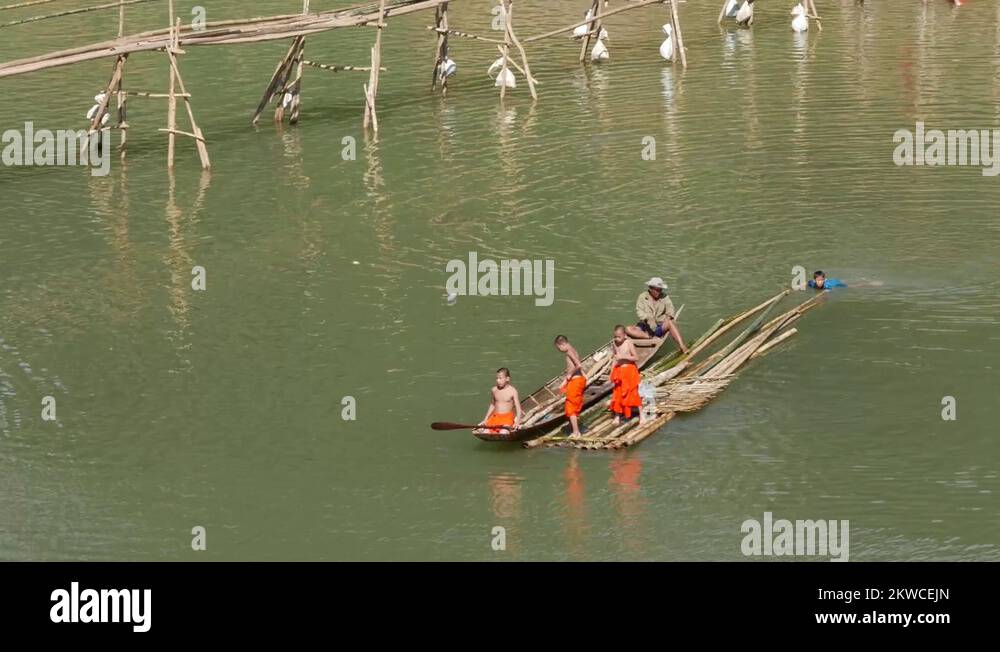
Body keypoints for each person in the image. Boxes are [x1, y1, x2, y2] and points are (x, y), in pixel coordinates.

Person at [625, 277, 688, 354]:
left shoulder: (664, 297)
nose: (659, 292)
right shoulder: (642, 297)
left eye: (660, 290)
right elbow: (639, 312)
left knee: (671, 322)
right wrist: (648, 318)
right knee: (628, 329)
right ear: (650, 289)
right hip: (646, 326)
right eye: (657, 290)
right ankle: (649, 337)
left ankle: (682, 346)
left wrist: (668, 317)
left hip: (659, 325)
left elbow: (670, 309)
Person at [474, 368, 523, 435]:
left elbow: (518, 408)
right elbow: (492, 404)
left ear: (507, 379)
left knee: (503, 433)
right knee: (484, 432)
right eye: (497, 378)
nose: (498, 381)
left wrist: (517, 422)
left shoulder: (512, 391)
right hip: (495, 417)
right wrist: (485, 419)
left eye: (500, 378)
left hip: (507, 418)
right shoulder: (494, 390)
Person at [554, 335, 585, 438]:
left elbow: (578, 365)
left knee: (571, 407)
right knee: (573, 406)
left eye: (559, 348)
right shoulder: (573, 350)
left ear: (562, 344)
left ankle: (576, 432)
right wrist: (565, 381)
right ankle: (574, 428)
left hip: (575, 381)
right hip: (576, 380)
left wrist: (569, 375)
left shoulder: (569, 352)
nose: (560, 350)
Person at [609, 325, 641, 425]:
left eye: (619, 336)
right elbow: (615, 358)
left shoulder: (628, 343)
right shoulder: (614, 343)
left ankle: (642, 415)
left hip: (629, 371)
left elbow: (636, 357)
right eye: (615, 336)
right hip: (619, 371)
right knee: (617, 394)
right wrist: (611, 371)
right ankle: (617, 416)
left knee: (633, 394)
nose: (617, 339)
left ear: (625, 335)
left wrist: (624, 356)